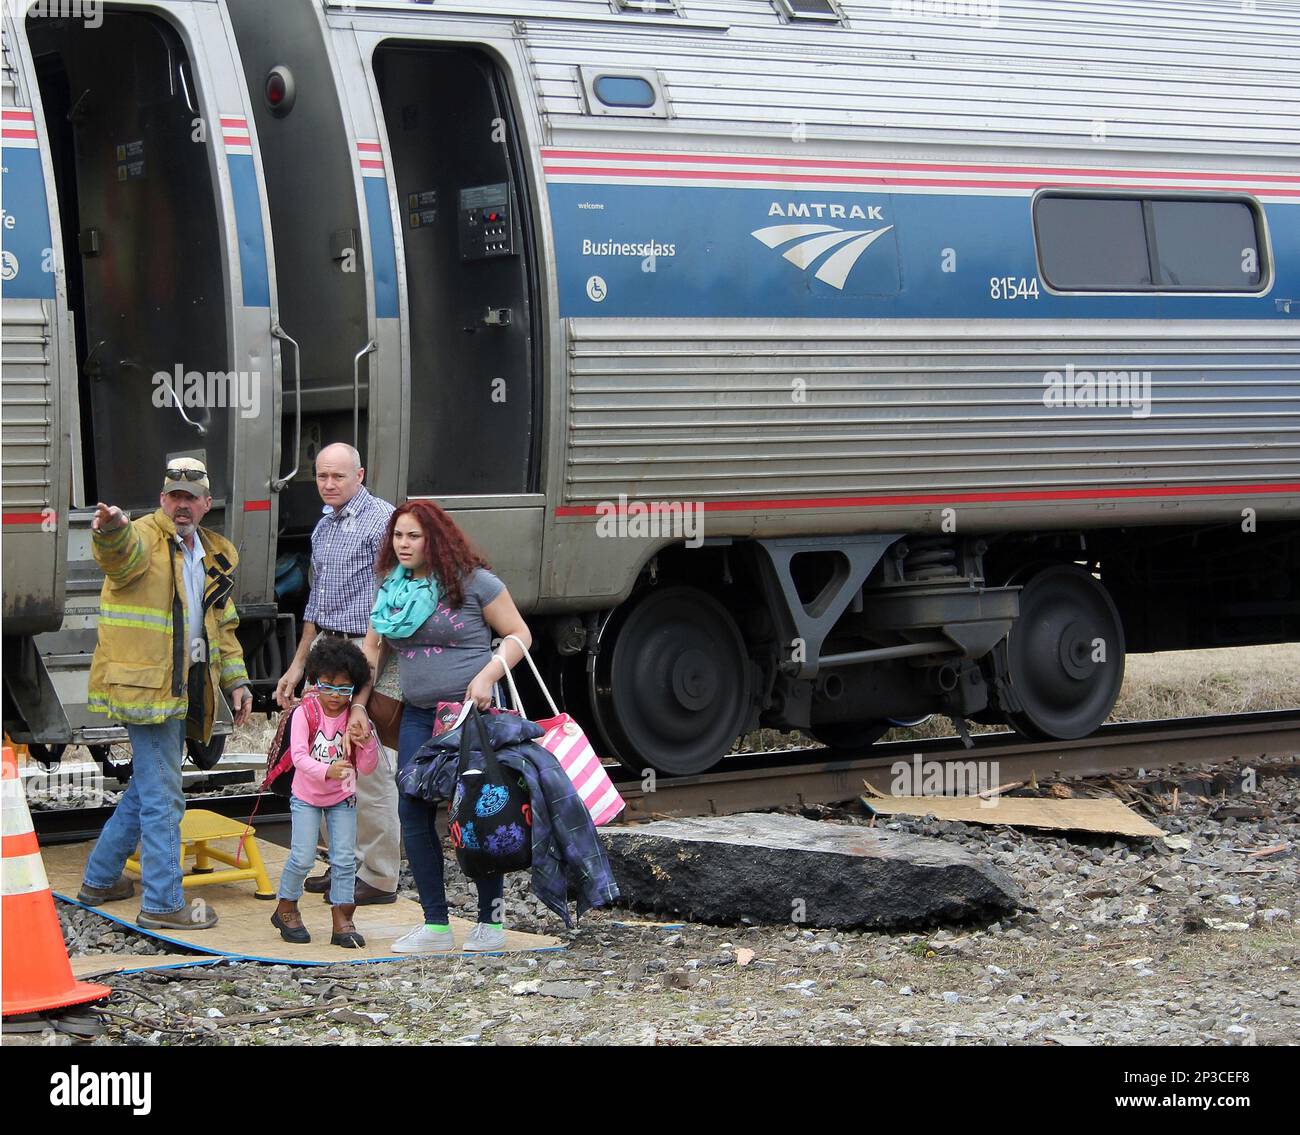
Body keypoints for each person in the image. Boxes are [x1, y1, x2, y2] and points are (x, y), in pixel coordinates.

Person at [77, 458, 252, 930]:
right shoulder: (140, 538)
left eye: (190, 497)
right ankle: (161, 902)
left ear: (205, 504)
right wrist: (110, 531)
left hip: (182, 687)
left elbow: (224, 625)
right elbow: (119, 555)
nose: (181, 504)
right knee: (164, 798)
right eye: (173, 496)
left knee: (148, 789)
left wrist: (234, 679)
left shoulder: (213, 552)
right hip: (147, 691)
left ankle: (100, 880)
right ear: (162, 500)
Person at [352, 501, 533, 953]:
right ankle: (436, 925)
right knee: (411, 810)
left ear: (436, 538)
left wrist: (489, 673)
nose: (404, 544)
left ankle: (490, 924)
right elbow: (372, 652)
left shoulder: (475, 583)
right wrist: (356, 704)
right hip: (418, 714)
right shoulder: (392, 589)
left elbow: (519, 635)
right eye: (398, 536)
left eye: (414, 536)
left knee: (478, 811)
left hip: (471, 717)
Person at [273, 442, 400, 905]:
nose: (328, 484)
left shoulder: (380, 521)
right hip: (327, 646)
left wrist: (368, 669)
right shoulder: (325, 523)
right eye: (322, 476)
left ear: (359, 475)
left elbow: (388, 597)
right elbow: (317, 600)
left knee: (368, 766)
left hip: (364, 648)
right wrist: (298, 663)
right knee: (328, 758)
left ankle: (380, 876)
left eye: (338, 477)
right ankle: (345, 863)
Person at [272, 638, 378, 948]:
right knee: (303, 856)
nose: (334, 696)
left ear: (354, 689)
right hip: (306, 797)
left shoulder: (356, 719)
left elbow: (368, 767)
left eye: (344, 690)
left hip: (343, 798)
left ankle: (343, 918)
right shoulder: (306, 712)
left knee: (345, 861)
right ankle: (286, 906)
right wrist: (326, 771)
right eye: (327, 686)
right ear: (315, 681)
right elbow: (300, 756)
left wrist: (367, 741)